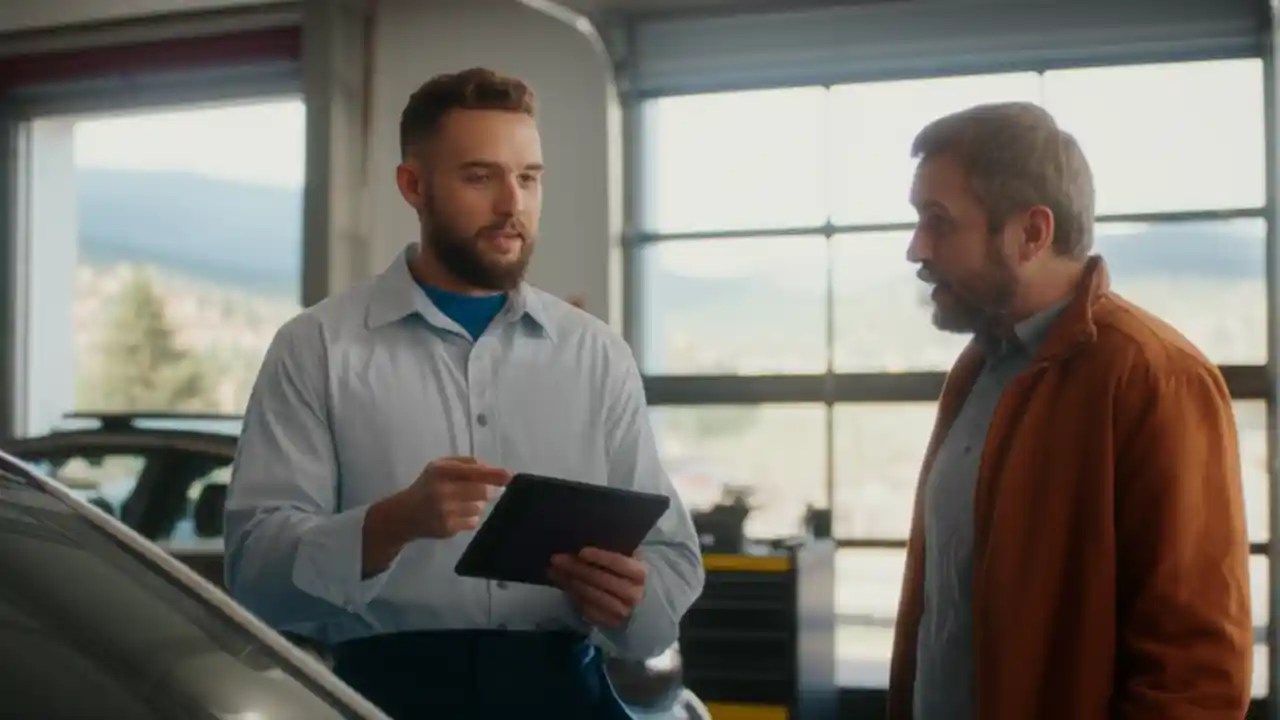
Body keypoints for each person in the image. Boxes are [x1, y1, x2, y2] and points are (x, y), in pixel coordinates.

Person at [224, 67, 704, 719]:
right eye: (481, 177)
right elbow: (255, 575)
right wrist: (391, 523)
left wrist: (632, 601)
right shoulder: (316, 347)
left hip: (569, 694)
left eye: (529, 178)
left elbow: (672, 559)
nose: (513, 205)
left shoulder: (597, 355)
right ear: (413, 186)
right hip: (383, 698)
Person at [888, 102, 1252, 720]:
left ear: (1032, 233)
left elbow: (1193, 675)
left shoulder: (1155, 377)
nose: (915, 248)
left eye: (939, 222)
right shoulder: (977, 369)